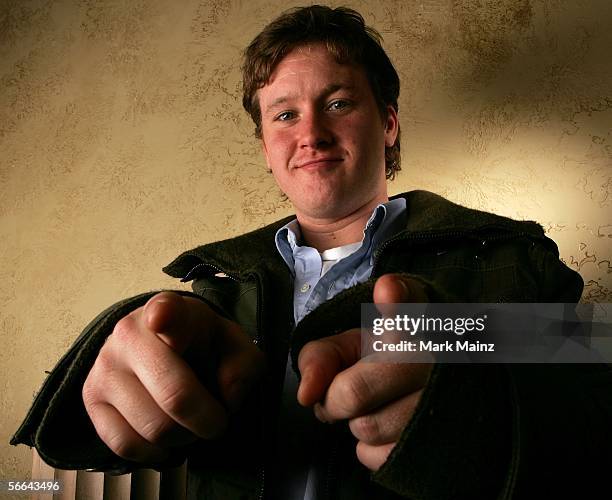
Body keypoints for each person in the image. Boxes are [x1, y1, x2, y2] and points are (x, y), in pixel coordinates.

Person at [12, 5, 611, 500]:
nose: (311, 134)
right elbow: (92, 448)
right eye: (285, 115)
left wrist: (464, 382)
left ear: (390, 124)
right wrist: (116, 351)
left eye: (340, 103)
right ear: (267, 150)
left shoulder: (508, 257)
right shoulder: (218, 286)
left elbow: (589, 388)